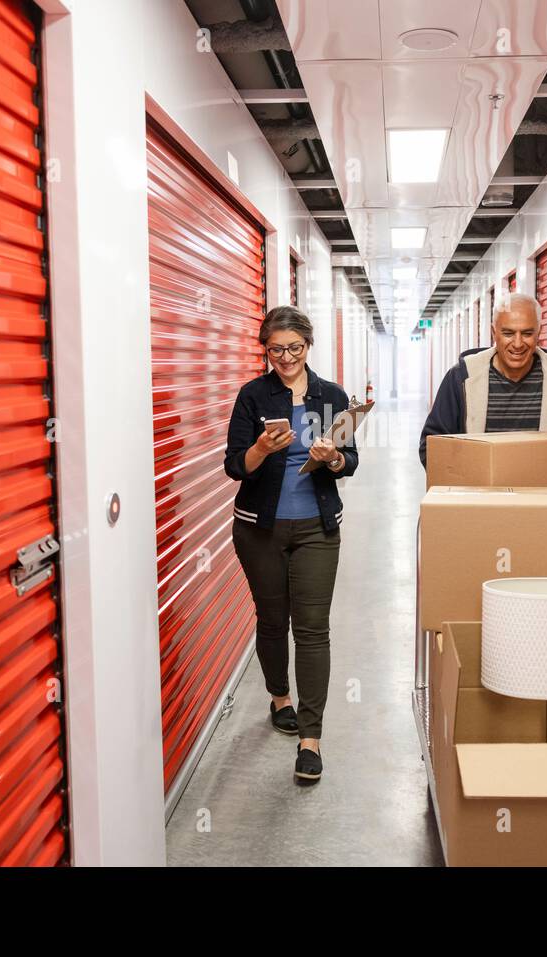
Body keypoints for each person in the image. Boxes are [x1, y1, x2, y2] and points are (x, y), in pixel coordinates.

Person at [224, 305, 358, 784]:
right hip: (259, 529)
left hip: (317, 529)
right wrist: (261, 449)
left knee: (312, 628)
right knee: (272, 618)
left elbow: (352, 462)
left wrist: (333, 457)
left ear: (309, 346)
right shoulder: (252, 396)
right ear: (266, 349)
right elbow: (235, 466)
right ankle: (279, 696)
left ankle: (310, 738)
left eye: (294, 348)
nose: (284, 357)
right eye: (276, 349)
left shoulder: (332, 396)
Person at [419, 292, 547, 464]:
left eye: (527, 333)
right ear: (494, 332)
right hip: (479, 491)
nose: (518, 344)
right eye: (508, 333)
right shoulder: (461, 378)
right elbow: (432, 447)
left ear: (539, 332)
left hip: (542, 492)